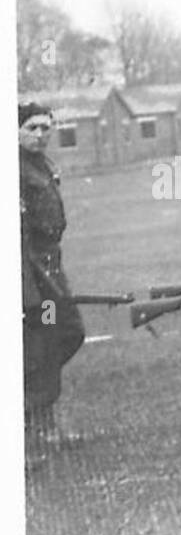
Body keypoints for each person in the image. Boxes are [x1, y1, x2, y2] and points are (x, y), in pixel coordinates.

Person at [20, 101, 86, 464]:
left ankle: (39, 420)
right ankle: (34, 427)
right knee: (42, 343)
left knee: (65, 334)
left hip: (49, 267)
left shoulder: (40, 165)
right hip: (31, 273)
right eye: (32, 127)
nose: (41, 134)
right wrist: (28, 290)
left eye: (46, 127)